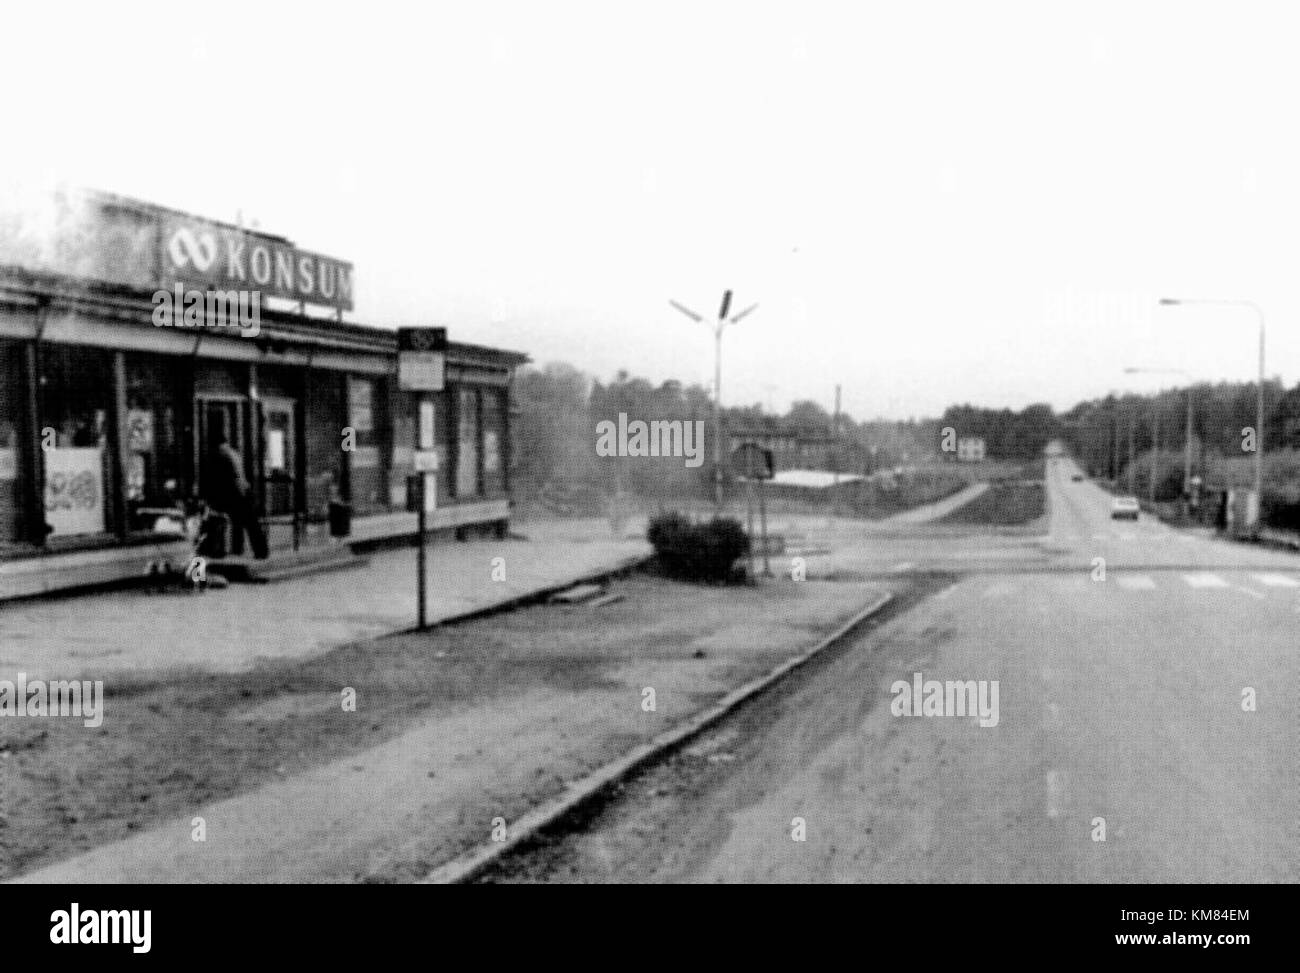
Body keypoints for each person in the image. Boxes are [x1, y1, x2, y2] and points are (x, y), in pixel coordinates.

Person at [209, 430, 268, 559]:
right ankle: (256, 550)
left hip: (233, 494)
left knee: (224, 521)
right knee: (248, 523)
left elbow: (227, 478)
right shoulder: (234, 453)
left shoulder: (220, 454)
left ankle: (223, 549)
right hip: (242, 492)